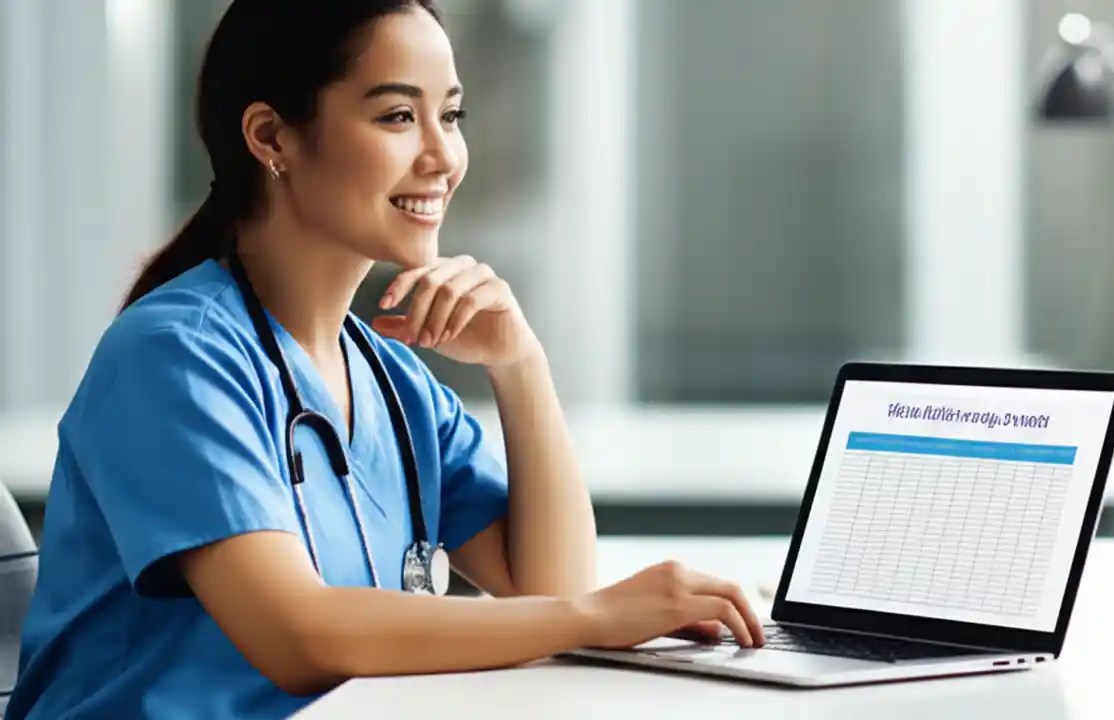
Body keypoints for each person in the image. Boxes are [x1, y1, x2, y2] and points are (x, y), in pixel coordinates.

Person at [6, 2, 765, 718]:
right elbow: (297, 637)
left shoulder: (389, 380)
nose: (443, 156)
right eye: (399, 116)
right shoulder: (173, 356)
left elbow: (547, 591)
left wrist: (521, 364)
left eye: (452, 115)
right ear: (271, 138)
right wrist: (597, 613)